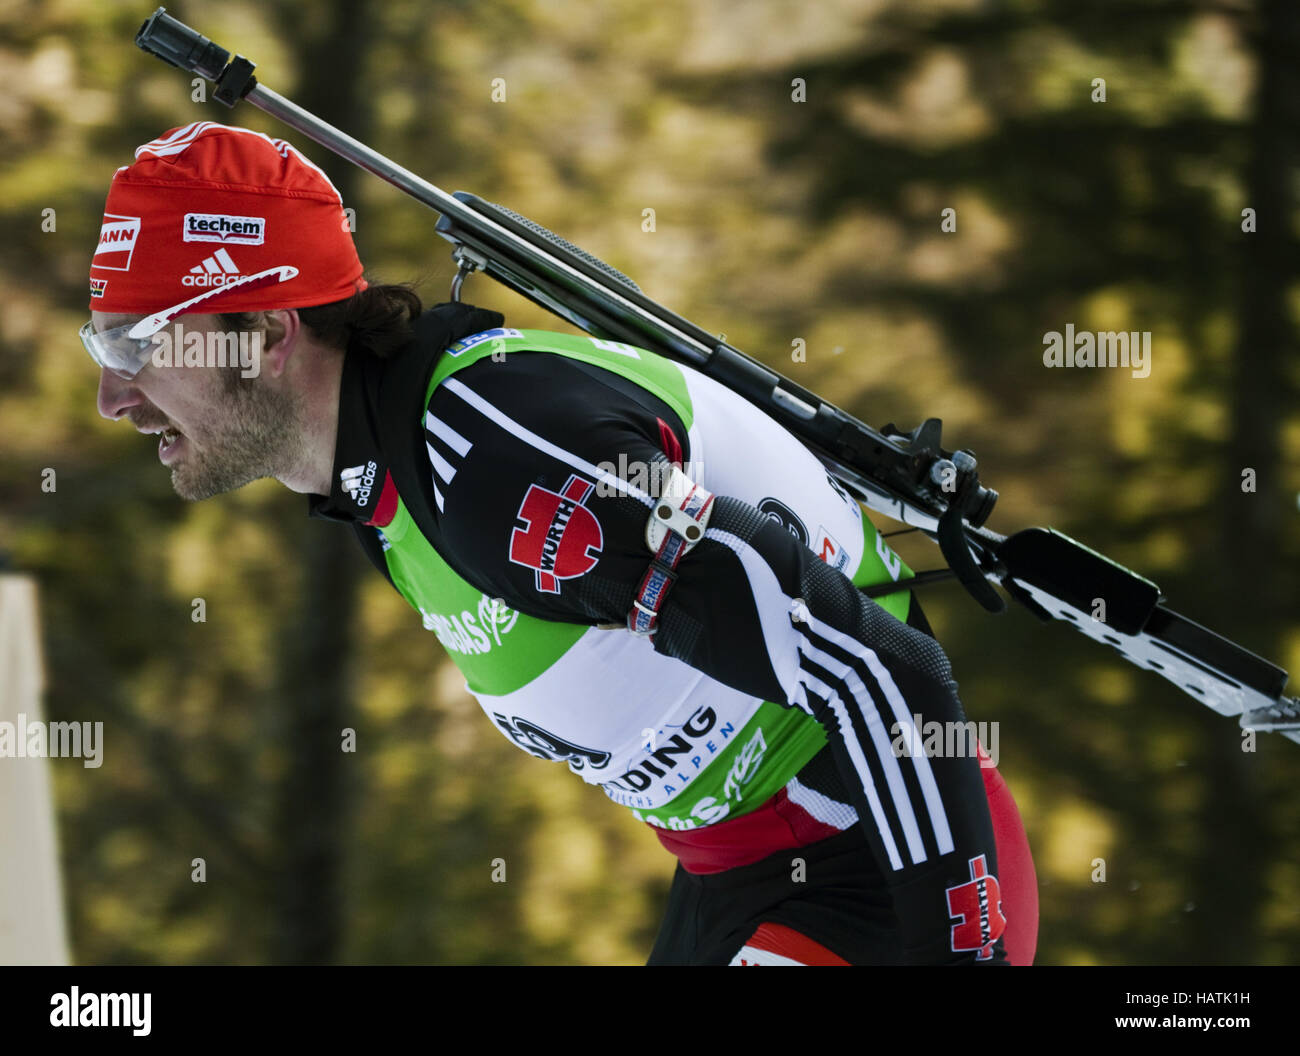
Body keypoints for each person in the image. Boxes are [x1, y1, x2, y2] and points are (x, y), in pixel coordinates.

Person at [84, 121, 1038, 965]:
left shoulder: (497, 463)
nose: (113, 397)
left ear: (263, 331)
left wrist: (962, 949)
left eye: (138, 349)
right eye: (102, 346)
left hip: (888, 857)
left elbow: (887, 674)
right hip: (743, 877)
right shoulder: (375, 478)